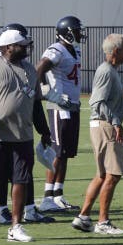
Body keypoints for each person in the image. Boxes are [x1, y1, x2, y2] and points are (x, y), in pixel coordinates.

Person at [0, 29, 53, 243]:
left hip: (23, 134)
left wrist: (44, 130)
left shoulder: (29, 70)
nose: (26, 48)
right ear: (8, 47)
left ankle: (16, 226)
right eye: (21, 45)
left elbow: (35, 104)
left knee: (21, 179)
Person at [71, 34, 123, 235]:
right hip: (105, 126)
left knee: (102, 175)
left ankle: (84, 217)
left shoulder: (109, 70)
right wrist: (115, 122)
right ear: (115, 51)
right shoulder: (106, 71)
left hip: (101, 125)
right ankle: (103, 221)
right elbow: (96, 101)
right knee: (113, 175)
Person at [36, 16, 85, 212]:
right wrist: (47, 90)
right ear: (68, 32)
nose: (81, 34)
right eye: (78, 30)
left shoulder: (75, 49)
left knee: (65, 153)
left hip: (72, 105)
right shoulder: (56, 49)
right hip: (59, 107)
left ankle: (58, 195)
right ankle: (48, 197)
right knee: (57, 152)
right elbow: (39, 68)